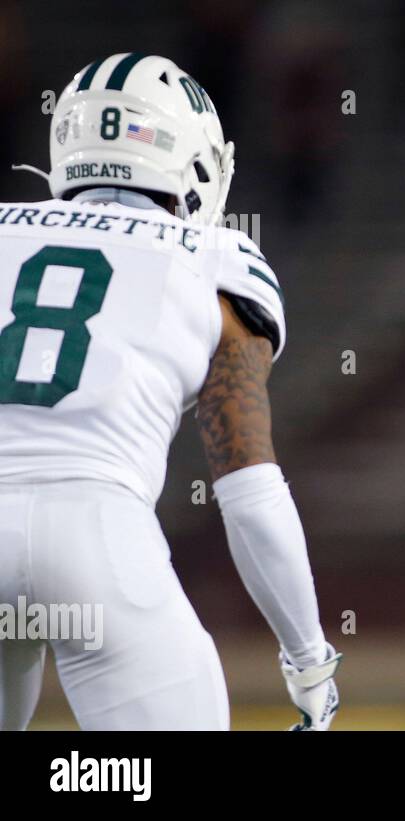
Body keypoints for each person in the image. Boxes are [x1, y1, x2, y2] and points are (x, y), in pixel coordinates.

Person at [0, 53, 339, 730]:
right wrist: (309, 657)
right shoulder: (215, 257)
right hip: (99, 536)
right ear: (194, 161)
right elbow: (249, 487)